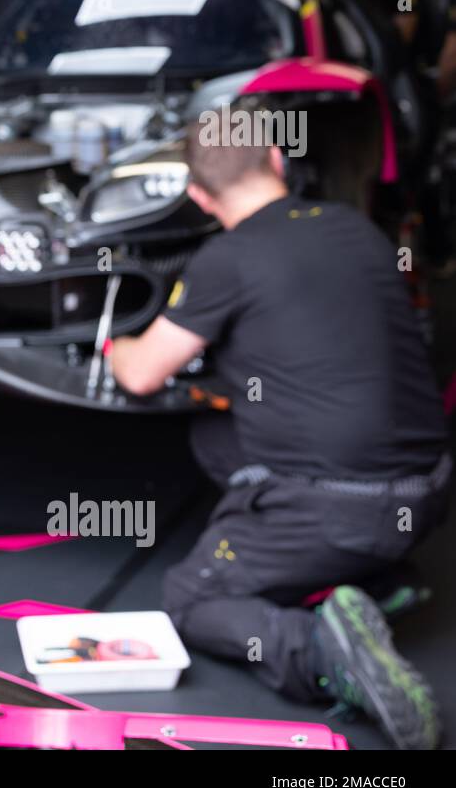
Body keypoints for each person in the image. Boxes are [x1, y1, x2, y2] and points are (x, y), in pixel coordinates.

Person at [108, 102, 450, 750]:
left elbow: (143, 375)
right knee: (214, 438)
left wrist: (114, 347)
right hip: (427, 493)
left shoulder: (224, 260)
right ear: (277, 159)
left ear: (198, 195)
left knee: (189, 598)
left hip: (343, 509)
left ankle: (324, 648)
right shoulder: (354, 226)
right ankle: (371, 581)